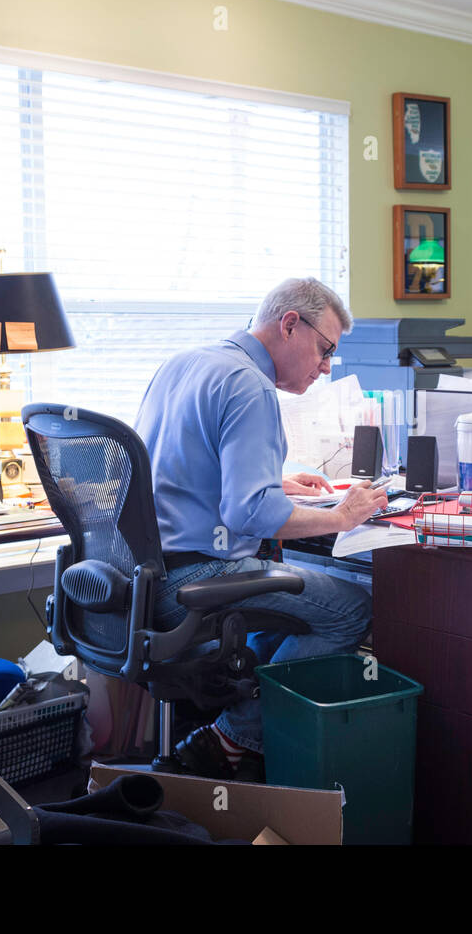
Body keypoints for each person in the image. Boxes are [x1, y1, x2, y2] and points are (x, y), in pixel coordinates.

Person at [132, 277, 388, 781]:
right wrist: (343, 516)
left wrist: (274, 482)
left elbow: (174, 470)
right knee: (353, 609)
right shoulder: (250, 385)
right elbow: (252, 515)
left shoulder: (185, 362)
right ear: (290, 324)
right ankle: (236, 736)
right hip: (195, 578)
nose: (326, 367)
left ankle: (244, 740)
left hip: (147, 575)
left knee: (289, 611)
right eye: (324, 349)